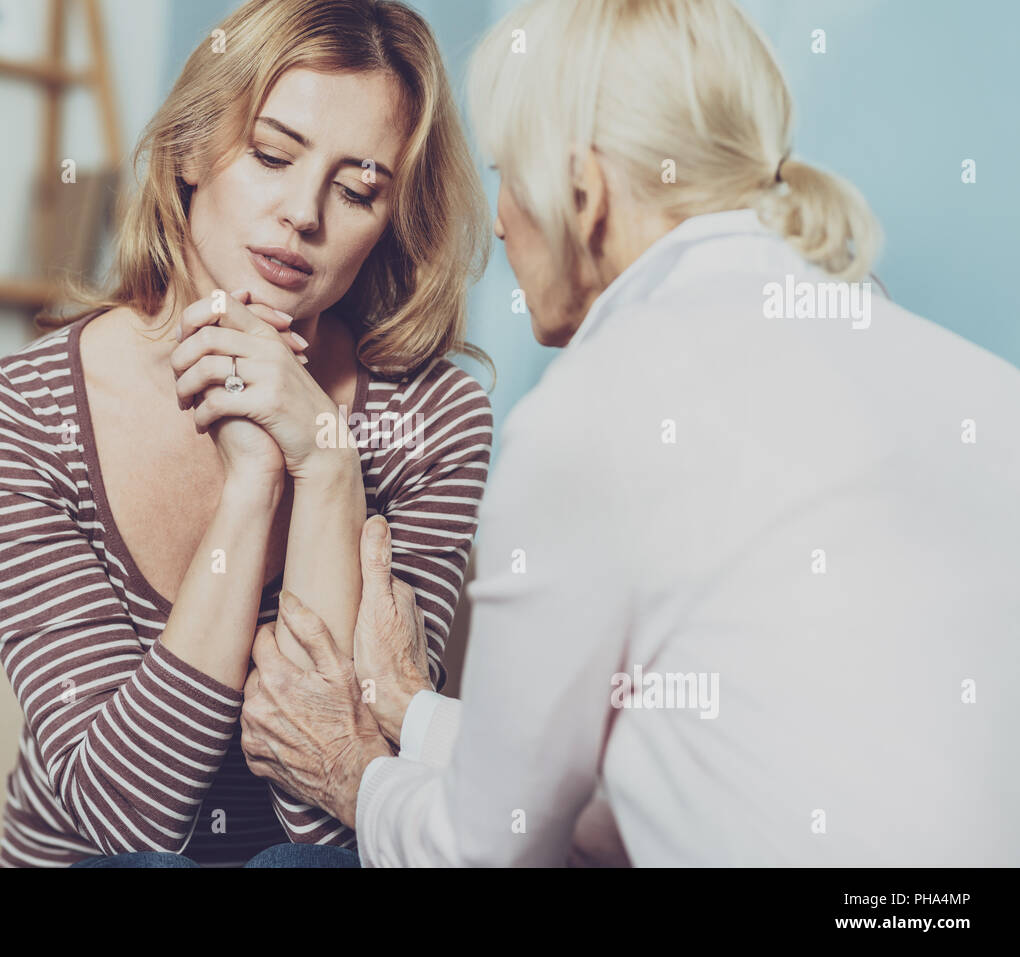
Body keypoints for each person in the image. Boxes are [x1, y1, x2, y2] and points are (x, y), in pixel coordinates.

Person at [239, 0, 1020, 866]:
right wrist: (409, 708)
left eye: (507, 175)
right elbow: (679, 780)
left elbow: (486, 855)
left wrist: (352, 773)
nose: (497, 222)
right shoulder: (984, 387)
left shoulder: (594, 409)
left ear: (582, 192)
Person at [0, 0, 494, 867]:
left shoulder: (433, 417)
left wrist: (325, 460)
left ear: (389, 219)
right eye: (273, 155)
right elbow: (125, 822)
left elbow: (339, 817)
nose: (303, 214)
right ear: (192, 148)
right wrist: (253, 487)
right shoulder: (19, 412)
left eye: (358, 188)